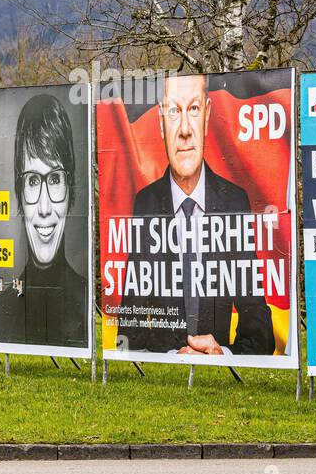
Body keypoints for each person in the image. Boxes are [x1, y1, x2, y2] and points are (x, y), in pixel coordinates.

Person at [117, 73, 273, 355]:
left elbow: (259, 326)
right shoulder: (146, 204)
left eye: (193, 109)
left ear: (207, 116)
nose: (186, 129)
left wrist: (223, 354)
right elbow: (129, 327)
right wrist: (168, 356)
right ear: (162, 123)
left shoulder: (234, 201)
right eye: (175, 111)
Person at [0, 93, 87, 347]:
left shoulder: (86, 301)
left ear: (71, 188)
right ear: (19, 193)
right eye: (32, 181)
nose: (44, 207)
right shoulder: (2, 310)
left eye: (54, 179)